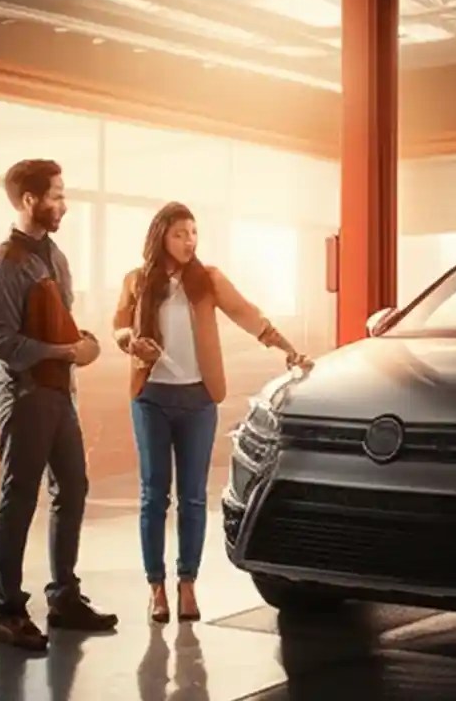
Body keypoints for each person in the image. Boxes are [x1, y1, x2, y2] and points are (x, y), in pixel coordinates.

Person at [112, 201, 312, 624]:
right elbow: (119, 326)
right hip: (151, 397)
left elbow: (247, 314)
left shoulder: (208, 280)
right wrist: (132, 341)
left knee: (192, 497)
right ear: (161, 235)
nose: (189, 241)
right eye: (180, 233)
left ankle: (187, 586)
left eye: (194, 233)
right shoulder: (138, 281)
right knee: (153, 496)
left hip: (198, 400)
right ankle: (156, 589)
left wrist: (288, 348)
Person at [0, 158, 118, 651]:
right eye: (56, 195)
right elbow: (1, 342)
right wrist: (64, 352)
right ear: (29, 200)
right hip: (24, 396)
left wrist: (86, 343)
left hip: (60, 394)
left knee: (73, 489)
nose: (64, 203)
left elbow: (62, 324)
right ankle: (9, 613)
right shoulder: (3, 264)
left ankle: (63, 598)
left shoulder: (55, 257)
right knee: (18, 499)